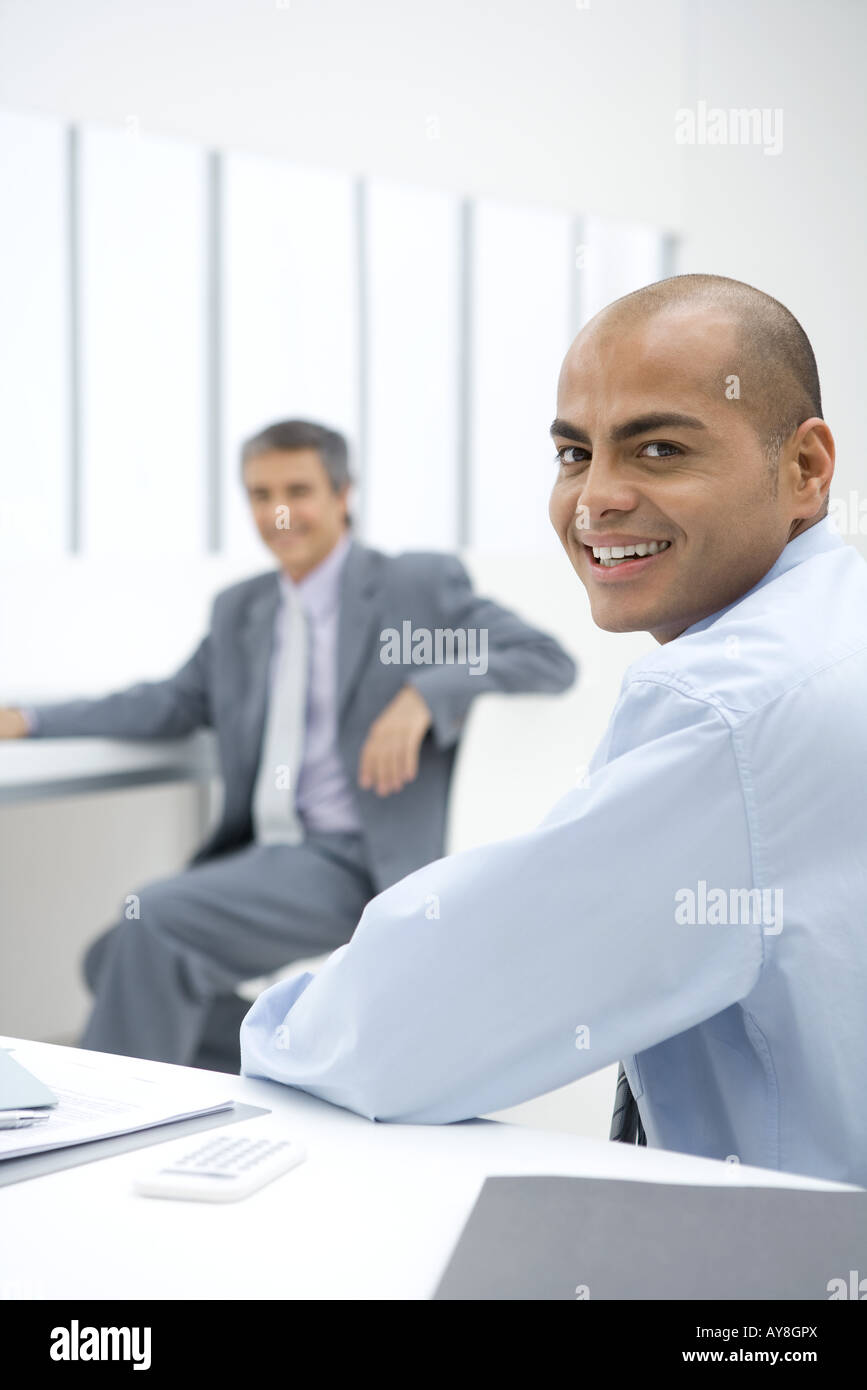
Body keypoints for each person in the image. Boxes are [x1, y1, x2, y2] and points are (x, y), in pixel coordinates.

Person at [239, 275, 867, 1188]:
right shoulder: (833, 630)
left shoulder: (725, 706)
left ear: (804, 469)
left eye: (657, 449)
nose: (594, 498)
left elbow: (403, 1030)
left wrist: (271, 1031)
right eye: (573, 454)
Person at [0, 420, 576, 1069]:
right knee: (111, 959)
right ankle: (281, 1065)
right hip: (267, 853)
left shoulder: (412, 584)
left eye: (297, 490)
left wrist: (424, 695)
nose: (278, 513)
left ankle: (109, 1118)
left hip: (358, 862)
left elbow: (545, 658)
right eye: (259, 494)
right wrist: (31, 720)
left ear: (342, 494)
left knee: (153, 922)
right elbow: (168, 702)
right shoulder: (241, 609)